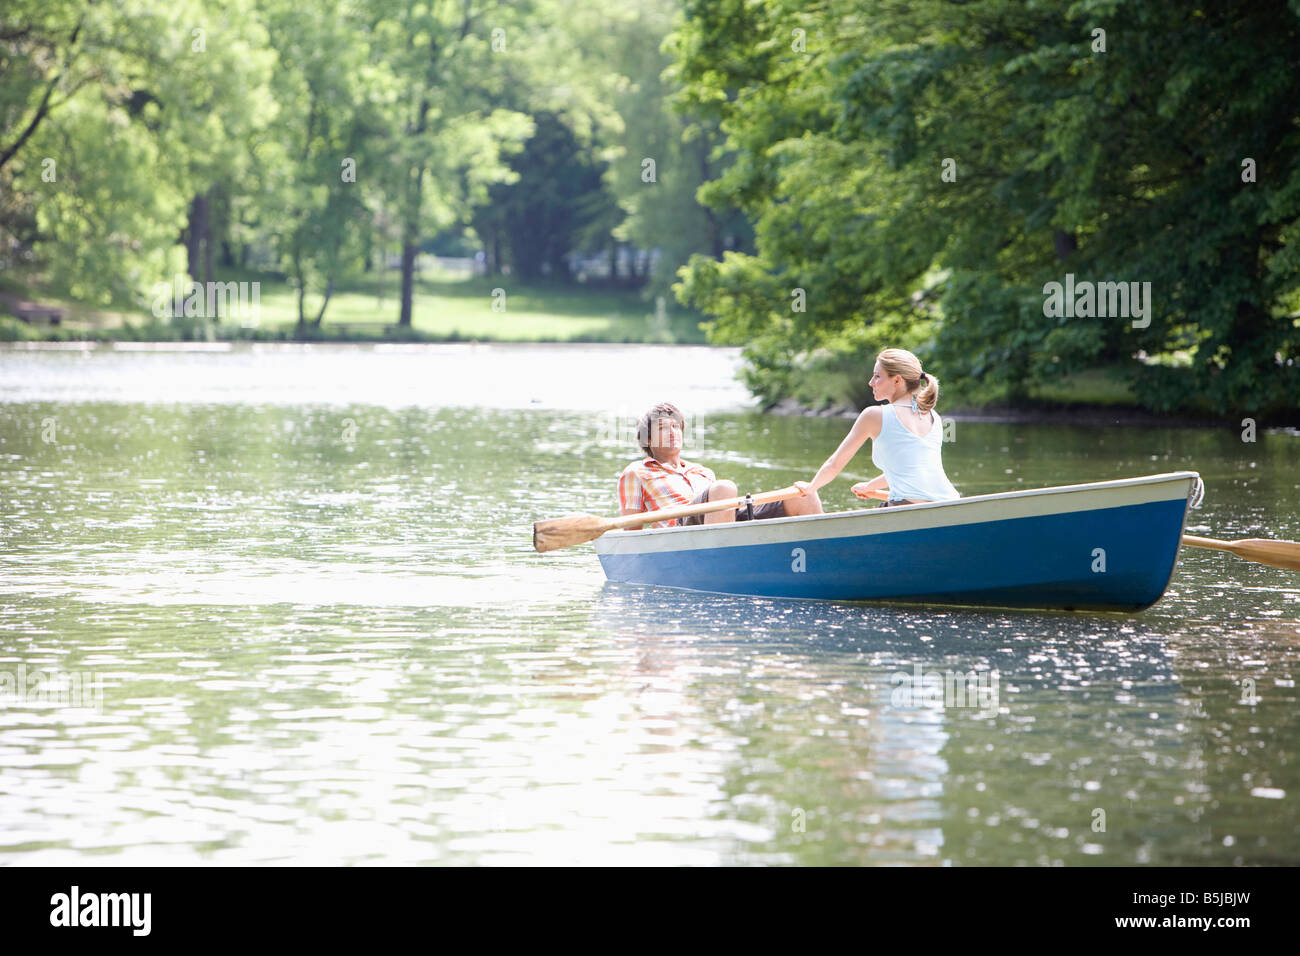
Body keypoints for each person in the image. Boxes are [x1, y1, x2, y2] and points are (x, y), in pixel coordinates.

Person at [618, 402, 822, 528]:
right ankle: (721, 560)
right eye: (664, 428)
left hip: (724, 521)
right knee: (724, 488)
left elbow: (722, 511)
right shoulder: (636, 472)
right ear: (648, 440)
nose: (673, 432)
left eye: (676, 427)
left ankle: (823, 560)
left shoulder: (702, 472)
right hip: (680, 530)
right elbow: (631, 532)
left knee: (804, 493)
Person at [796, 349, 959, 507]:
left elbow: (835, 464)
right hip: (949, 503)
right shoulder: (935, 417)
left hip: (906, 506)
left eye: (877, 376)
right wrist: (870, 487)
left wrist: (811, 488)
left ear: (897, 380)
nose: (870, 382)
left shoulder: (873, 415)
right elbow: (907, 468)